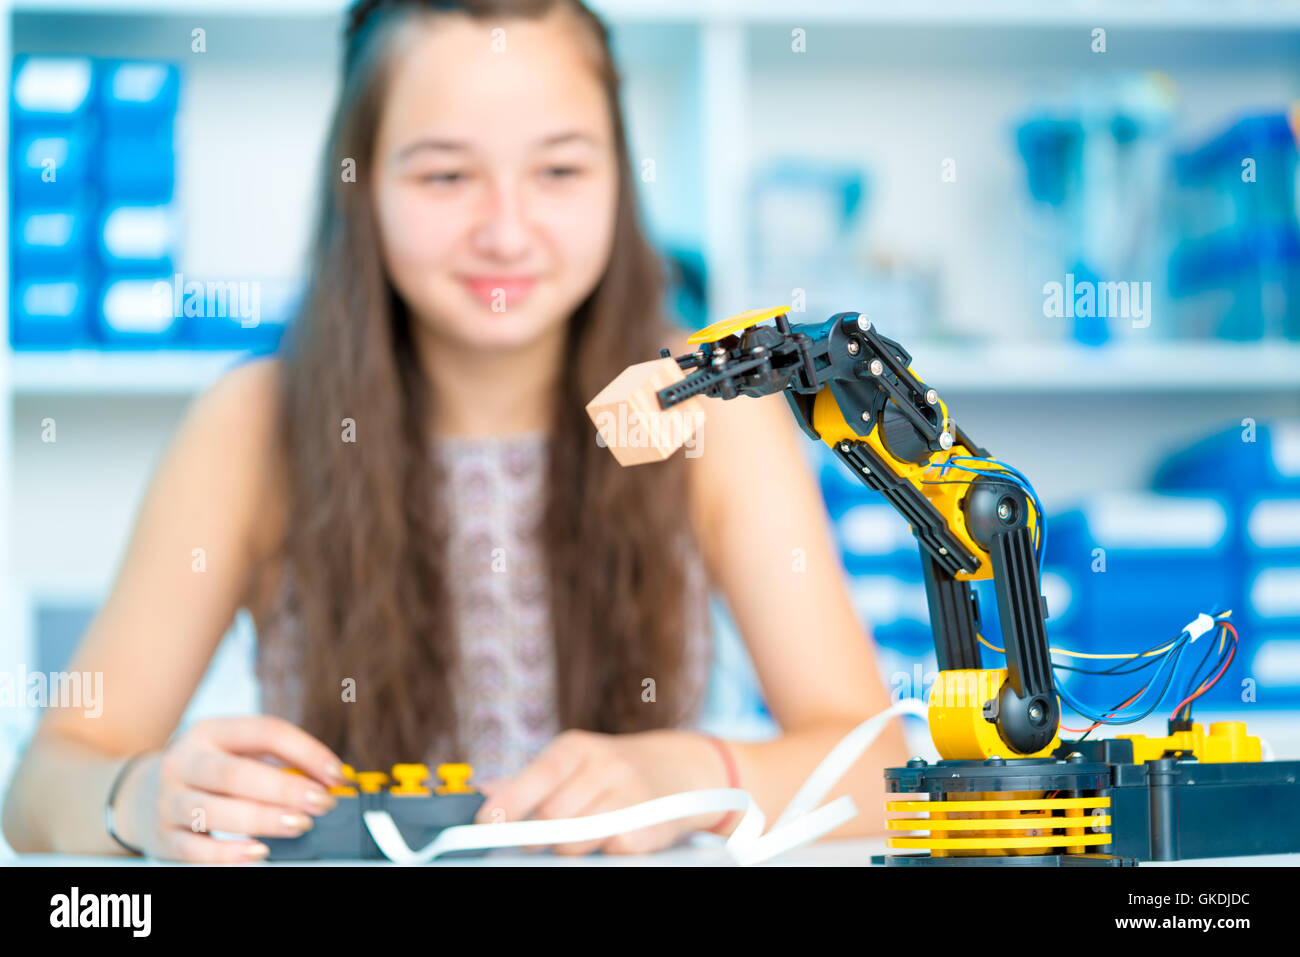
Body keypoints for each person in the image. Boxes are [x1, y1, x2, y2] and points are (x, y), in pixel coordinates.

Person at [2, 0, 907, 861]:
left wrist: (705, 773)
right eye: (445, 175)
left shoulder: (704, 412)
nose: (507, 233)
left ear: (619, 180)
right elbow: (43, 784)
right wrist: (143, 794)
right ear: (360, 185)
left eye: (559, 170)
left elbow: (879, 770)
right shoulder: (250, 422)